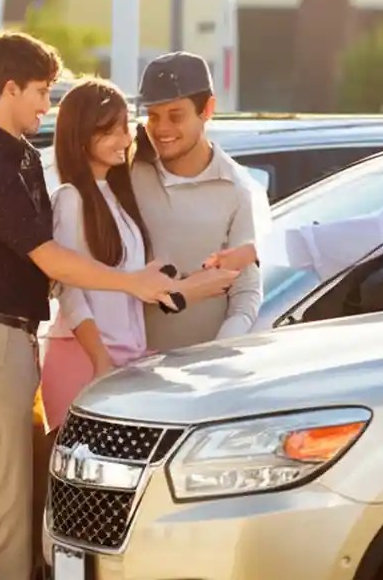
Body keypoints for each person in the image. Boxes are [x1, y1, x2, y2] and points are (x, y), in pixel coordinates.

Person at [0, 33, 233, 580]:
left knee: (15, 502)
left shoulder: (20, 160)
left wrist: (172, 285)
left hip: (15, 340)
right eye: (40, 91)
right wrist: (131, 285)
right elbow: (53, 262)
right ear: (9, 88)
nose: (45, 105)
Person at [39, 78, 236, 429]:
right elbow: (70, 291)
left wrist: (192, 284)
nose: (126, 140)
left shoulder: (117, 196)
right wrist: (100, 361)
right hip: (85, 361)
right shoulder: (71, 199)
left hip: (125, 360)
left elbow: (132, 286)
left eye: (126, 128)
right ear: (82, 134)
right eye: (111, 131)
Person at [130, 51, 272, 353]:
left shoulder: (238, 189)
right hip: (125, 366)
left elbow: (246, 289)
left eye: (175, 115)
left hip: (200, 372)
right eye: (154, 116)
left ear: (207, 109)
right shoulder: (128, 176)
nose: (162, 128)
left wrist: (217, 351)